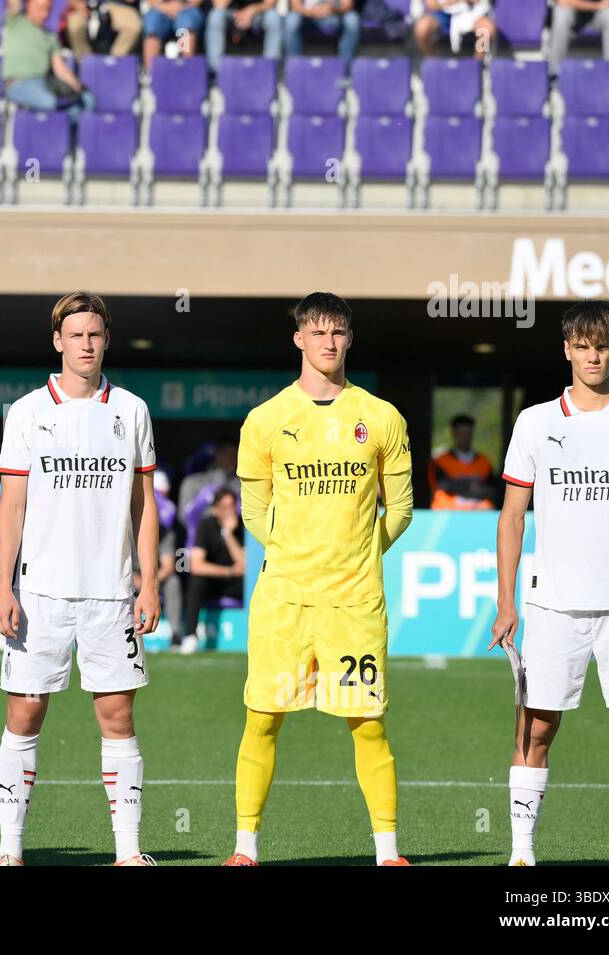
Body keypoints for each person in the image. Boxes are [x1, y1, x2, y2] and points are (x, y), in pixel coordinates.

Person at [225, 292, 414, 867]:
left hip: (355, 604)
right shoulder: (265, 421)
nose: (328, 342)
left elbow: (400, 508)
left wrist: (357, 553)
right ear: (299, 339)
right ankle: (245, 848)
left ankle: (387, 853)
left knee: (368, 726)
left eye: (338, 332)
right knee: (262, 720)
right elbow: (254, 511)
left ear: (349, 338)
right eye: (317, 331)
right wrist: (291, 551)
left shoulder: (381, 416)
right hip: (284, 601)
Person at [491, 301, 609, 868]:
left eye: (603, 345)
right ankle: (522, 856)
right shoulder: (536, 422)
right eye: (582, 346)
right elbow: (511, 517)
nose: (593, 356)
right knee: (535, 729)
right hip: (552, 608)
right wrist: (506, 603)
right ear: (567, 350)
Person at [0, 291, 161, 866]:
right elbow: (10, 507)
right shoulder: (26, 411)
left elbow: (145, 505)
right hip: (40, 594)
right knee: (25, 713)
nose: (86, 345)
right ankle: (9, 850)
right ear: (57, 341)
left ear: (105, 339)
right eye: (76, 336)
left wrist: (151, 581)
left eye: (95, 335)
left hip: (111, 595)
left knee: (118, 716)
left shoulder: (131, 410)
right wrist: (1, 586)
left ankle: (129, 852)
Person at [178, 487, 245, 653]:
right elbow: (196, 565)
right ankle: (190, 636)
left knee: (253, 584)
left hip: (236, 583)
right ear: (215, 509)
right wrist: (228, 571)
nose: (229, 511)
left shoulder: (242, 526)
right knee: (196, 582)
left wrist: (228, 534)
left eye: (232, 506)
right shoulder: (206, 525)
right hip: (215, 579)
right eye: (224, 507)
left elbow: (244, 565)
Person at [3, 0, 95, 119]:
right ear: (29, 5)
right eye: (40, 8)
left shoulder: (50, 37)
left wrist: (76, 86)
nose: (44, 14)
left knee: (87, 99)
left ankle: (66, 131)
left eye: (48, 9)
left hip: (44, 82)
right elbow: (14, 3)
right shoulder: (14, 22)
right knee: (49, 102)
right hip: (17, 84)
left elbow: (60, 68)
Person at [428, 413, 496, 510]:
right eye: (461, 433)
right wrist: (470, 487)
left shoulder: (484, 462)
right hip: (448, 509)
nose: (464, 437)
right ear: (453, 433)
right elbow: (443, 486)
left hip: (477, 509)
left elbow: (491, 490)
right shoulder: (440, 461)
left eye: (467, 433)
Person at [206, 0, 283, 71]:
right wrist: (242, 14)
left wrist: (251, 10)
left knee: (273, 17)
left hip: (258, 13)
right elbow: (219, 5)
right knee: (215, 16)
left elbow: (270, 4)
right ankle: (216, 71)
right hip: (231, 14)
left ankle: (271, 69)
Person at [282, 0, 362, 66]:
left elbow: (347, 4)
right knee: (292, 19)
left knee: (352, 19)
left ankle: (345, 70)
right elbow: (295, 5)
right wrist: (312, 12)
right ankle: (295, 68)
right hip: (306, 18)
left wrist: (333, 8)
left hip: (333, 18)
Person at [549, 0, 609, 70]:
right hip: (573, 12)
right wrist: (597, 6)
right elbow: (563, 1)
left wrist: (599, 6)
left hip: (600, 14)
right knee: (561, 14)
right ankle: (555, 72)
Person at [414, 0, 495, 58]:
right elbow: (430, 4)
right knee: (422, 27)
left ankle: (478, 65)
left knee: (487, 30)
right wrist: (448, 3)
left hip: (471, 12)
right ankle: (432, 63)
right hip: (443, 13)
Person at [66, 0, 143, 58]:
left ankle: (113, 63)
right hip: (87, 6)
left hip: (118, 5)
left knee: (133, 26)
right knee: (75, 25)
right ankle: (85, 64)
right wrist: (78, 4)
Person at [142, 0, 206, 69]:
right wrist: (166, 7)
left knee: (186, 26)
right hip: (159, 9)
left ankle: (187, 69)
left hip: (187, 8)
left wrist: (181, 6)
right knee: (152, 26)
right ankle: (151, 73)